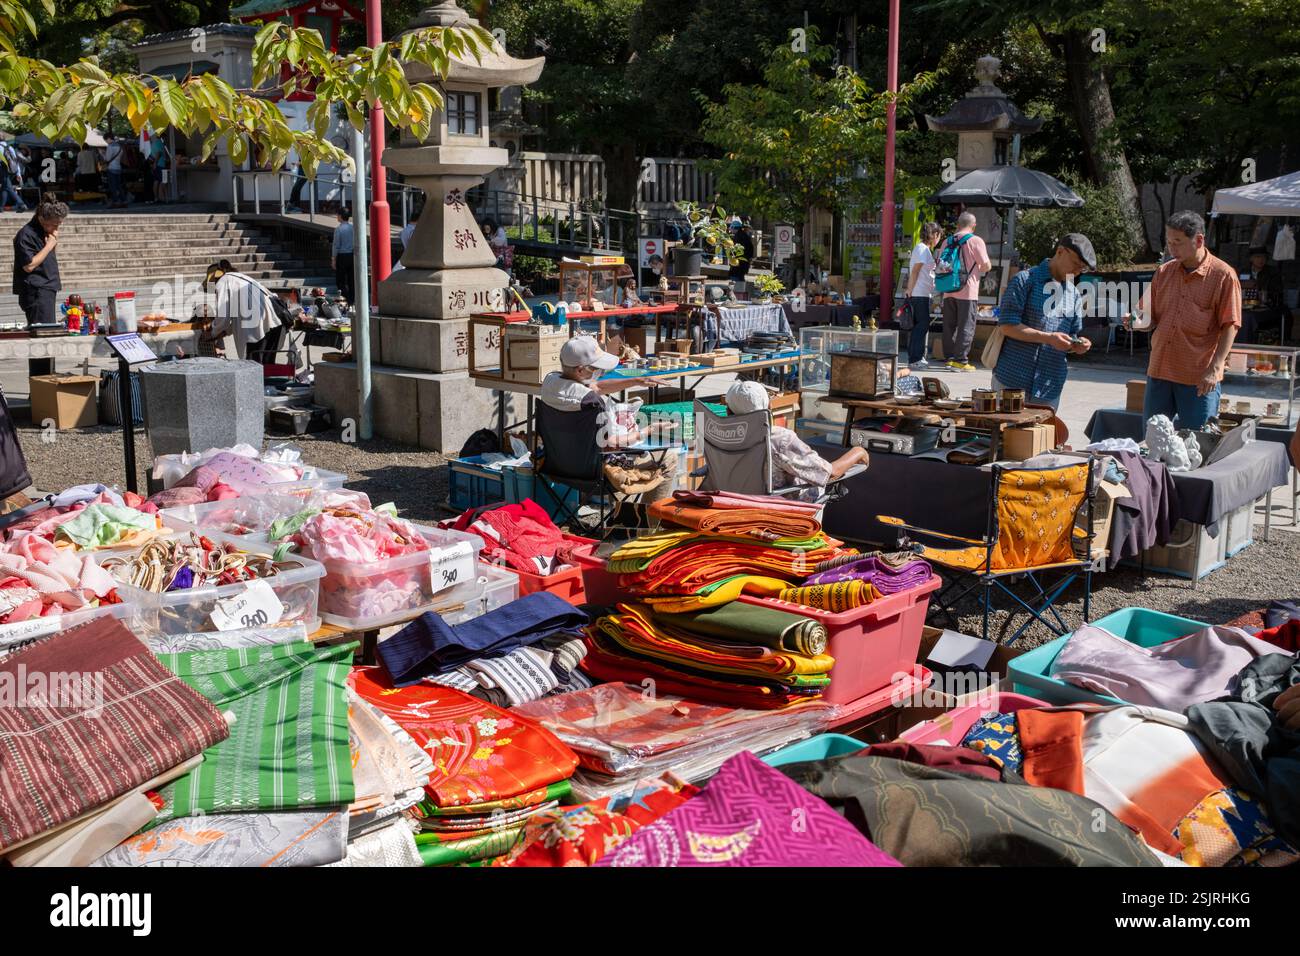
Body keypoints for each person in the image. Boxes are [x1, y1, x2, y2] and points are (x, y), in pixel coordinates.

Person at [1127, 211, 1240, 430]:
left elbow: (1230, 325)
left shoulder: (1223, 275)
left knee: (1197, 444)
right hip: (1160, 371)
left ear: (1198, 240)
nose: (1171, 249)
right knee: (1152, 441)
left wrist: (1215, 368)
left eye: (1177, 242)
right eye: (1169, 242)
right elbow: (1148, 318)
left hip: (1198, 376)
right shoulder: (1164, 272)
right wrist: (1135, 320)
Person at [990, 233, 1096, 410]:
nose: (1077, 271)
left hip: (1049, 387)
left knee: (1043, 438)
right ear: (1060, 251)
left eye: (1082, 269)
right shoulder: (1025, 280)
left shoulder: (1074, 294)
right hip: (1012, 381)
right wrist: (1048, 338)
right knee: (1005, 437)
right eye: (1076, 264)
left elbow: (1072, 335)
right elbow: (1007, 326)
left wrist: (1077, 345)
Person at [723, 380, 868, 501]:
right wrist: (858, 452)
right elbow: (830, 473)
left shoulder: (722, 436)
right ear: (769, 407)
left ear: (728, 411)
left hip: (735, 505)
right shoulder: (779, 440)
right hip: (780, 512)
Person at [939, 211, 991, 371]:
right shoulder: (975, 241)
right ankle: (961, 361)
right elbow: (985, 265)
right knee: (966, 325)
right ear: (973, 226)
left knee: (949, 325)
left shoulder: (946, 241)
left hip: (948, 289)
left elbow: (941, 264)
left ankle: (949, 359)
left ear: (958, 225)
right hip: (967, 290)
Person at [204, 259, 283, 362]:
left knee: (253, 367)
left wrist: (212, 333)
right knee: (267, 366)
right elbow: (236, 317)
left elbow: (223, 318)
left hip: (257, 327)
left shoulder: (223, 282)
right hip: (275, 322)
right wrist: (224, 332)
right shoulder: (241, 278)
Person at [12, 193, 67, 330]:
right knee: (43, 331)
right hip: (36, 291)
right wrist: (49, 246)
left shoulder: (45, 231)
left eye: (59, 224)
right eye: (54, 224)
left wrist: (52, 243)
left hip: (47, 287)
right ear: (42, 219)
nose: (57, 228)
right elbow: (29, 265)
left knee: (49, 329)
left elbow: (47, 258)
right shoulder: (26, 234)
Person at [903, 222, 943, 367]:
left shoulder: (924, 249)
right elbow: (915, 271)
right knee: (922, 325)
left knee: (920, 325)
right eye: (938, 235)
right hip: (919, 293)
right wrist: (910, 289)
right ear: (935, 235)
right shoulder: (922, 249)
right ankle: (915, 359)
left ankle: (916, 357)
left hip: (922, 292)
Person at [1240, 245, 1285, 344]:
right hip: (1245, 305)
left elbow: (1277, 291)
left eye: (1264, 257)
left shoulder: (1272, 272)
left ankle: (1248, 344)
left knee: (1249, 318)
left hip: (1267, 307)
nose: (1261, 260)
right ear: (1251, 258)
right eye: (1257, 257)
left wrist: (1264, 293)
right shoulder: (1244, 271)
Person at [331, 208, 355, 302]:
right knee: (351, 280)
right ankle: (352, 300)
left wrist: (333, 259)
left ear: (340, 216)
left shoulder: (339, 229)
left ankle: (346, 298)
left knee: (340, 281)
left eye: (337, 215)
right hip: (351, 255)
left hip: (342, 256)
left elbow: (336, 245)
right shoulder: (353, 228)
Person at [0, 140, 27, 212]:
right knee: (5, 188)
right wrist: (18, 173)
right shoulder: (10, 147)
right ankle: (1, 207)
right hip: (11, 171)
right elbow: (15, 161)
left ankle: (21, 204)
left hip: (2, 170)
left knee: (8, 188)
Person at [729, 219, 754, 286]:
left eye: (731, 228)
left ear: (734, 228)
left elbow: (734, 250)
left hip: (738, 263)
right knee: (741, 278)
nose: (730, 230)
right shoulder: (745, 236)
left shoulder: (737, 237)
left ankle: (737, 293)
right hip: (744, 262)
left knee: (736, 280)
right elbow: (751, 249)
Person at [103, 133, 126, 208]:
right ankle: (123, 200)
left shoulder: (110, 146)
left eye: (106, 140)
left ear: (109, 138)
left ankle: (115, 201)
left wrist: (102, 154)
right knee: (119, 185)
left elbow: (107, 158)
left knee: (113, 186)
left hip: (111, 168)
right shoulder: (119, 146)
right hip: (118, 167)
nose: (106, 141)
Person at [147, 135, 170, 203]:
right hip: (161, 165)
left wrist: (154, 164)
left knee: (156, 181)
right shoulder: (159, 142)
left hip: (156, 165)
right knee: (164, 181)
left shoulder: (153, 143)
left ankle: (157, 198)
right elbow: (159, 153)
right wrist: (155, 163)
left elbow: (151, 155)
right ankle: (163, 198)